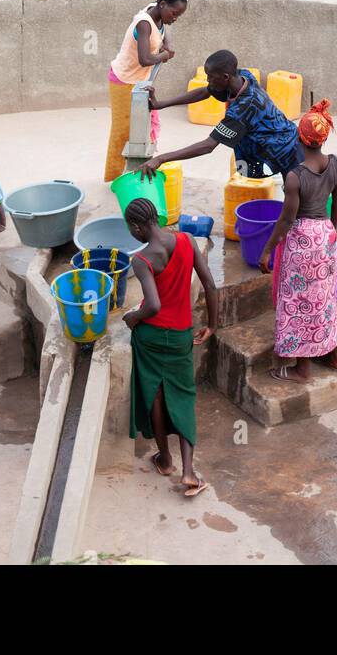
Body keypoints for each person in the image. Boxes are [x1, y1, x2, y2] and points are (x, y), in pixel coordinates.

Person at [122, 197, 218, 498]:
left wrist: (132, 318)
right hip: (179, 337)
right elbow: (210, 285)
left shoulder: (141, 259)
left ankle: (164, 459)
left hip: (150, 337)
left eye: (131, 230)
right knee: (183, 395)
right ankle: (189, 471)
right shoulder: (187, 240)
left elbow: (152, 305)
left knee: (155, 394)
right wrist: (212, 325)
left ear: (137, 227)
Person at [258, 99, 337, 383]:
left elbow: (286, 219)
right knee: (324, 298)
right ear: (323, 138)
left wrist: (267, 251)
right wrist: (333, 226)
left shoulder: (295, 178)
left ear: (300, 139)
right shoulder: (336, 165)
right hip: (326, 236)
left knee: (299, 301)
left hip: (303, 240)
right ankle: (333, 355)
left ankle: (302, 367)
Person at [139, 50, 303, 184]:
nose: (208, 80)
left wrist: (161, 159)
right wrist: (161, 104)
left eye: (211, 76)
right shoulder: (242, 77)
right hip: (277, 141)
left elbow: (208, 146)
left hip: (286, 150)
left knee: (296, 200)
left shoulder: (242, 109)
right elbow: (205, 91)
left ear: (225, 77)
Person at [104, 0, 188, 183]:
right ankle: (114, 179)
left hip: (139, 82)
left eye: (178, 16)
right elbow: (144, 59)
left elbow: (164, 29)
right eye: (174, 14)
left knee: (141, 129)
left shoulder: (156, 12)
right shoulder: (144, 24)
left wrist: (167, 43)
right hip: (124, 80)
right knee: (122, 132)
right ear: (163, 4)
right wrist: (164, 55)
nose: (174, 19)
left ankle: (136, 173)